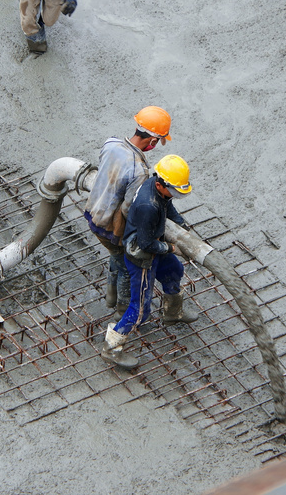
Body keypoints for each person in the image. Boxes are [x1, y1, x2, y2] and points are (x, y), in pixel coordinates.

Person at [100, 155, 199, 369]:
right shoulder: (148, 205)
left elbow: (169, 206)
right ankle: (111, 347)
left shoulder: (159, 188)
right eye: (173, 191)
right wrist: (172, 247)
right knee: (140, 311)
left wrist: (182, 227)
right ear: (160, 184)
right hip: (142, 256)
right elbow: (145, 244)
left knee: (174, 269)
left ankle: (173, 313)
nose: (175, 195)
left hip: (155, 243)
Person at [83, 107, 173, 322]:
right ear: (151, 140)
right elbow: (127, 208)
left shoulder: (111, 143)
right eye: (157, 141)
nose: (155, 146)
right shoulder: (139, 170)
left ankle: (110, 297)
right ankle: (122, 311)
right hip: (109, 227)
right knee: (125, 265)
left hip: (92, 213)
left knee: (114, 257)